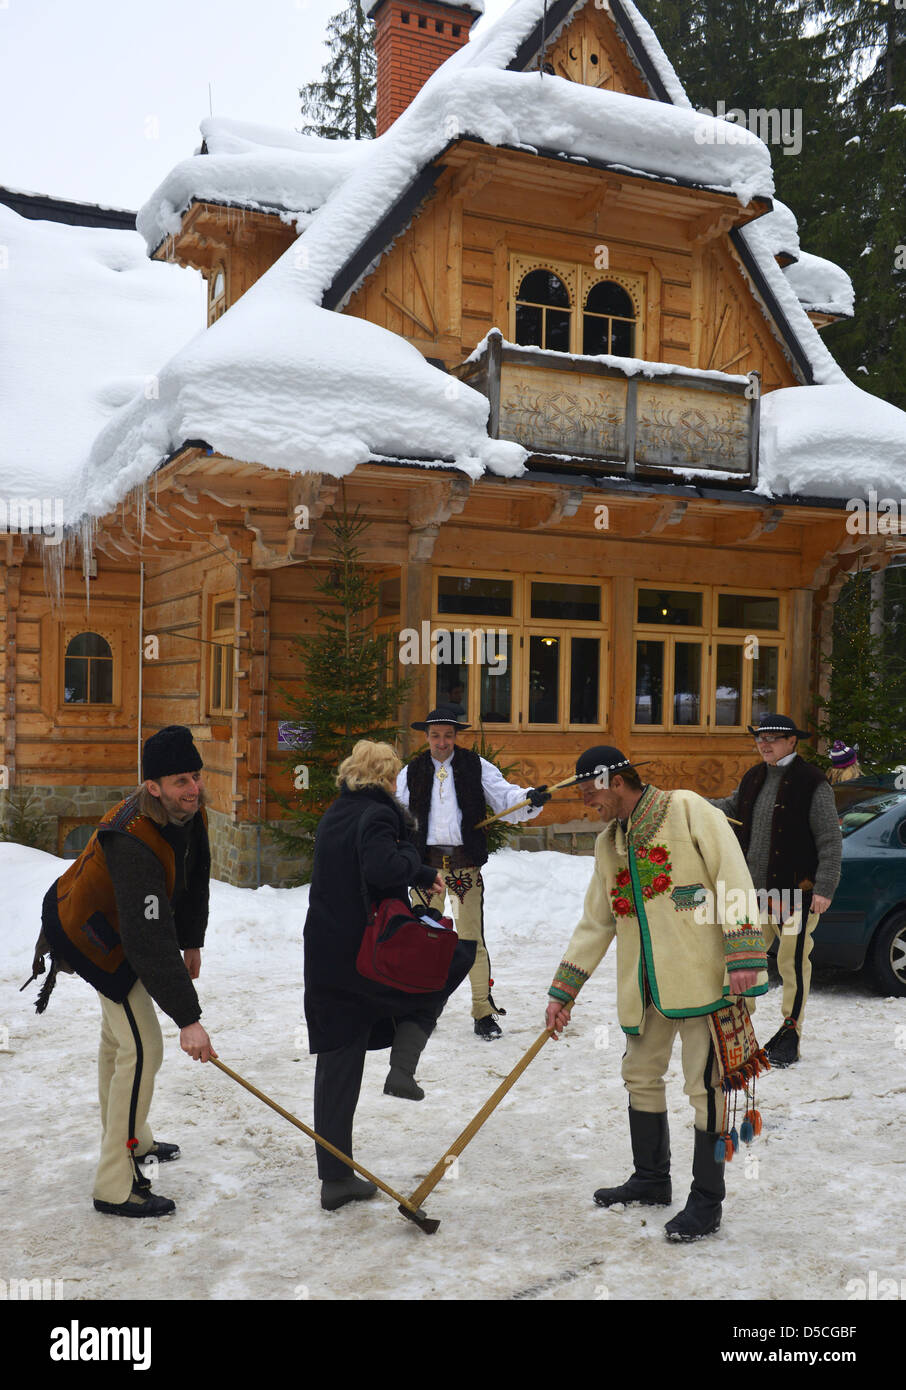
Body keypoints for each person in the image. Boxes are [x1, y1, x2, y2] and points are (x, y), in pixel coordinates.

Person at [545, 745, 768, 1243]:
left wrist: (744, 959)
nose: (588, 803)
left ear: (617, 782)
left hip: (704, 982)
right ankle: (651, 1179)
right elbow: (597, 921)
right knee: (639, 1076)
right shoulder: (608, 844)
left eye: (591, 793)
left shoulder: (687, 808)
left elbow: (734, 879)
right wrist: (564, 990)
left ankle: (707, 1202)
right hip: (644, 987)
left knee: (704, 1089)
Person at [26, 725, 216, 1219]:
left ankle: (135, 1137)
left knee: (120, 1042)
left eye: (195, 775)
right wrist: (188, 1019)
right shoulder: (132, 841)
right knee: (141, 1046)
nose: (192, 788)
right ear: (152, 786)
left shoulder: (188, 813)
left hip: (120, 926)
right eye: (180, 780)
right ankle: (115, 1183)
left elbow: (195, 878)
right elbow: (146, 940)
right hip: (89, 934)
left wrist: (191, 939)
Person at [303, 739, 476, 1212]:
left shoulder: (338, 810)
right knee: (452, 959)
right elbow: (380, 866)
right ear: (384, 777)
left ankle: (335, 1179)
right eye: (395, 773)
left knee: (337, 1064)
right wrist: (419, 868)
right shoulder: (377, 814)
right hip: (365, 952)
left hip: (326, 951)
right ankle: (404, 1063)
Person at [396, 705, 551, 1039]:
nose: (441, 742)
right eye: (435, 735)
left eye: (447, 735)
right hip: (425, 870)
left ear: (455, 737)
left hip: (464, 867)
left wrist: (529, 798)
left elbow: (505, 797)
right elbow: (397, 814)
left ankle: (483, 1011)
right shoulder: (410, 772)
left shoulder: (475, 766)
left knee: (470, 940)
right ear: (426, 737)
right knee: (422, 939)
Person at [709, 713, 842, 1067]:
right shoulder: (754, 777)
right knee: (745, 959)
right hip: (755, 894)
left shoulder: (812, 782)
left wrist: (825, 886)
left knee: (792, 963)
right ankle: (736, 1027)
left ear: (792, 741)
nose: (764, 743)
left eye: (773, 737)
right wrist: (691, 804)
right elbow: (730, 808)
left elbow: (830, 839)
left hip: (797, 894)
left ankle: (789, 1033)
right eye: (759, 738)